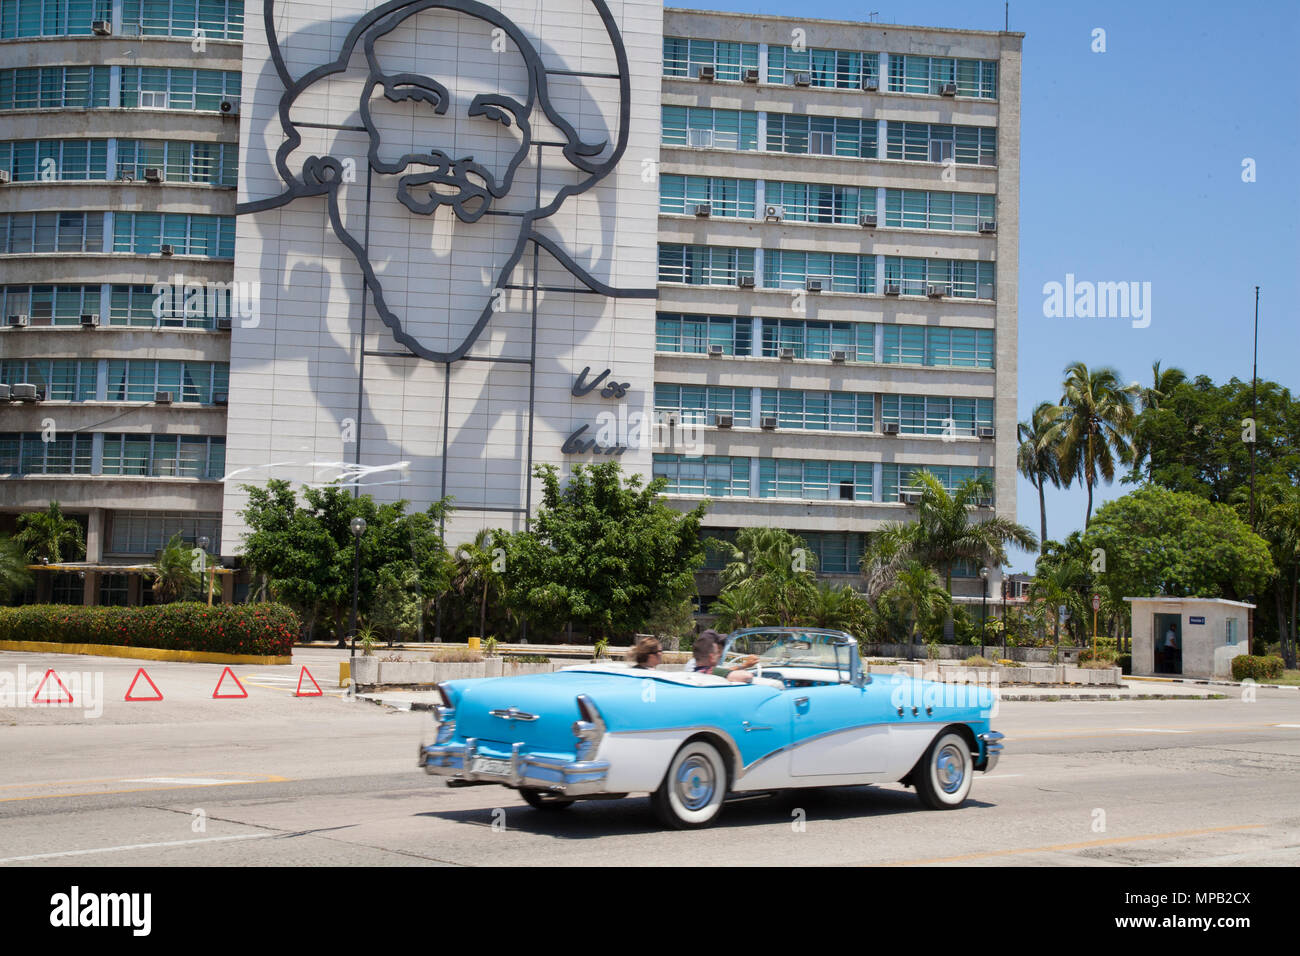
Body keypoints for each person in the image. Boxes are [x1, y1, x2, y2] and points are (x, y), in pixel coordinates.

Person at [691, 630, 757, 683]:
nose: (720, 655)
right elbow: (747, 676)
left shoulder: (695, 672)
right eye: (717, 652)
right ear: (711, 657)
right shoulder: (711, 671)